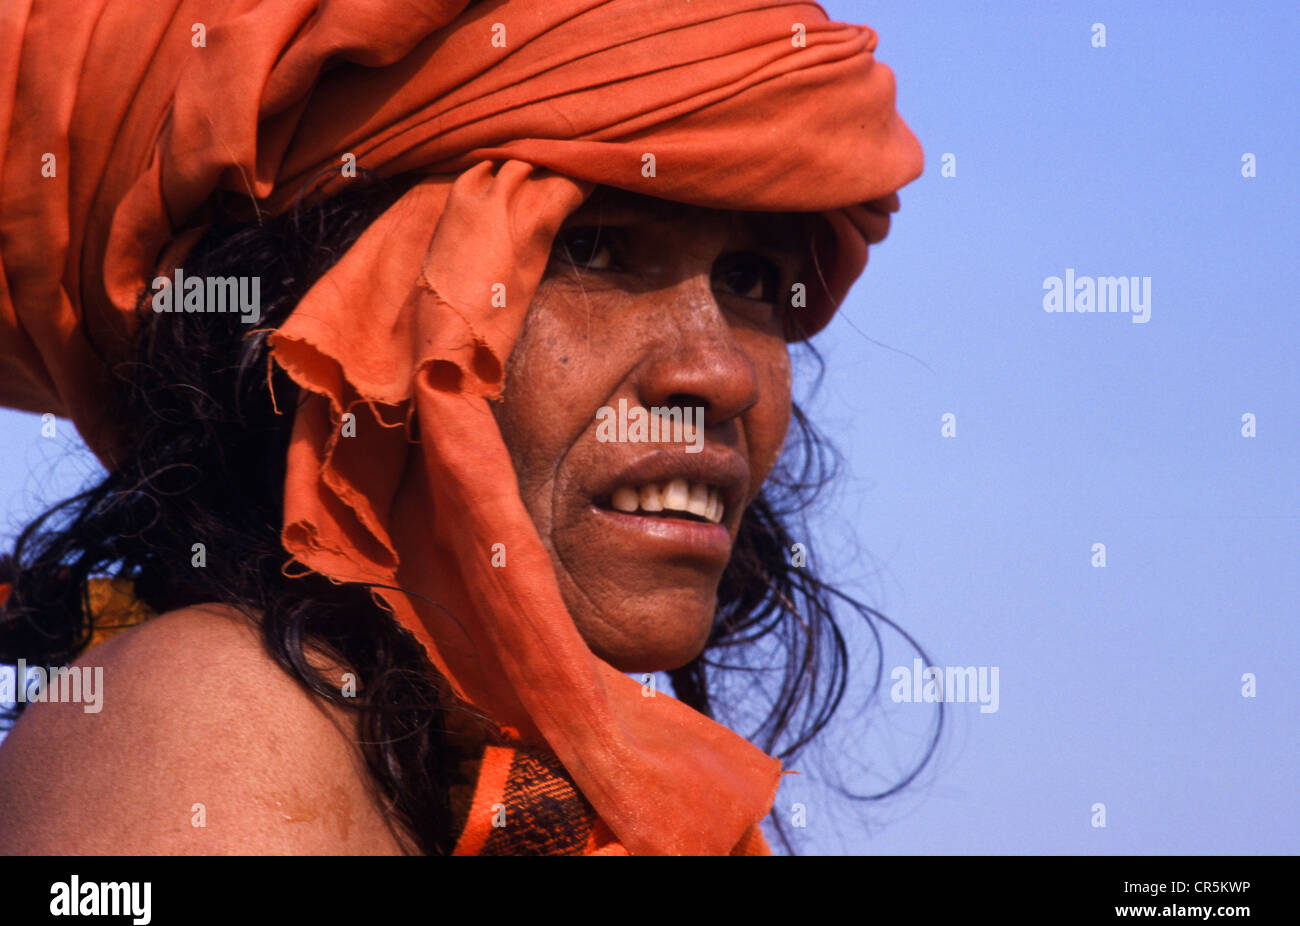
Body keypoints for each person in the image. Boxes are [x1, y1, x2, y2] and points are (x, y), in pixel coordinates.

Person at [0, 0, 927, 855]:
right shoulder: (210, 715)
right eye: (591, 250)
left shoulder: (503, 791)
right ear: (347, 315)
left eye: (750, 281)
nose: (719, 372)